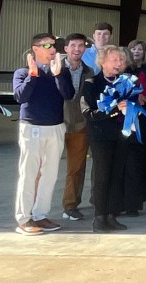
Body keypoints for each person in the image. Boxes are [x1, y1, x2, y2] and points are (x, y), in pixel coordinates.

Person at [13, 32, 74, 235]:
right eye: (47, 46)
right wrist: (32, 75)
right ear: (36, 49)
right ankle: (24, 218)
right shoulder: (22, 72)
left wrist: (58, 75)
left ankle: (40, 214)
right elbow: (21, 97)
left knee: (50, 174)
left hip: (55, 126)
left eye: (53, 46)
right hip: (32, 127)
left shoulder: (60, 72)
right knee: (29, 173)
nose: (52, 49)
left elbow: (69, 95)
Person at [81, 45, 141, 233]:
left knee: (117, 175)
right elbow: (89, 113)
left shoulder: (126, 82)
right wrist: (115, 110)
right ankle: (99, 218)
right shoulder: (92, 83)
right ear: (103, 62)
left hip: (120, 135)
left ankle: (111, 215)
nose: (119, 64)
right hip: (100, 136)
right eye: (114, 60)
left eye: (122, 60)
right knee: (102, 175)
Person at [60, 33, 93, 222]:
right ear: (65, 49)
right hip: (55, 124)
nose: (77, 49)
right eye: (73, 45)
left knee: (76, 168)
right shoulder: (53, 69)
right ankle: (36, 208)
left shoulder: (89, 73)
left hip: (80, 125)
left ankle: (70, 206)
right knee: (43, 169)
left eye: (81, 46)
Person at [126, 39, 146, 208]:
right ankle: (133, 189)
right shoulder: (125, 69)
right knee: (132, 152)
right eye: (133, 49)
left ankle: (144, 188)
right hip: (129, 115)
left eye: (140, 49)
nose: (137, 52)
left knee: (145, 150)